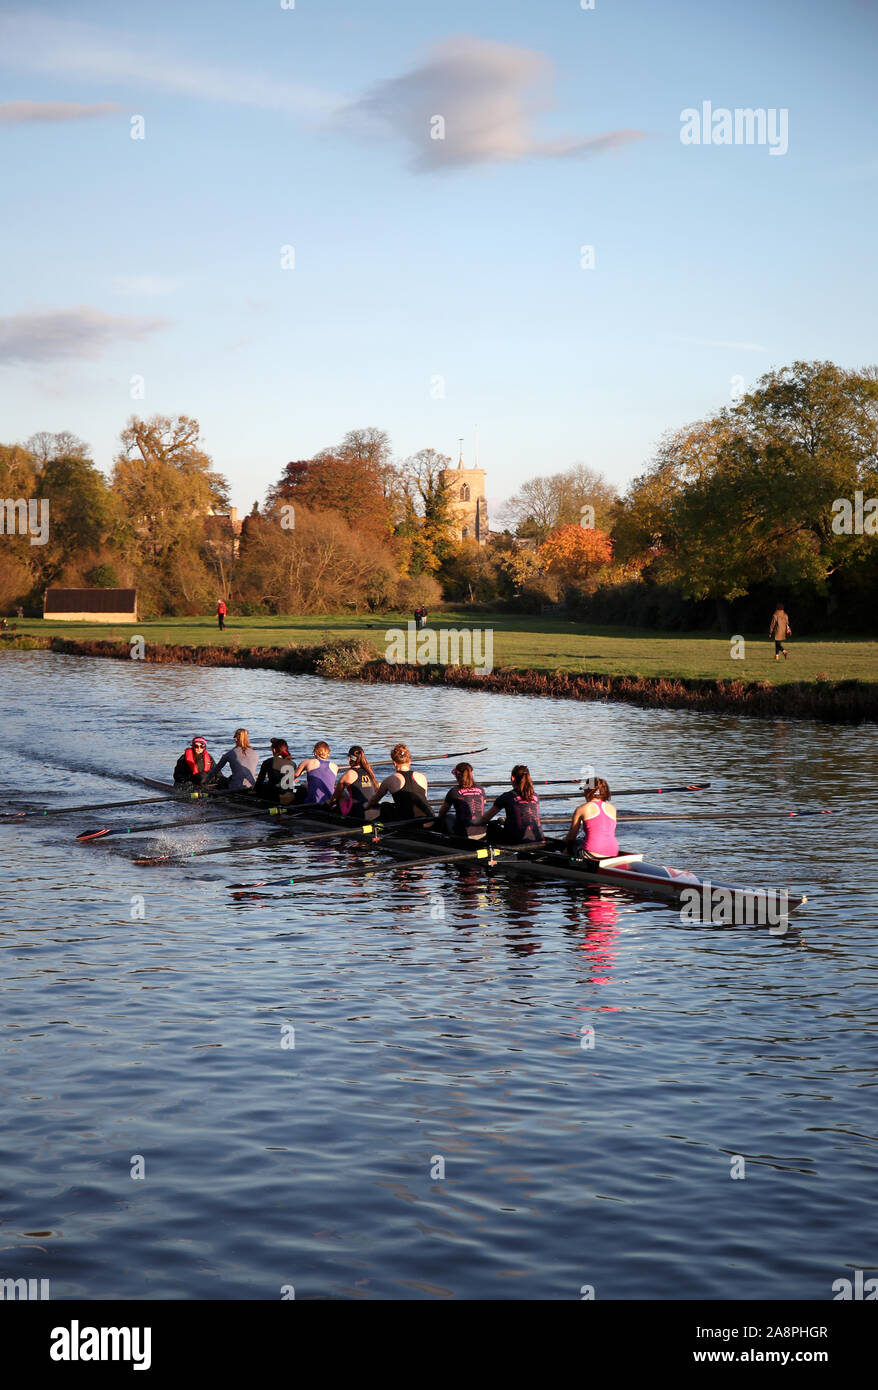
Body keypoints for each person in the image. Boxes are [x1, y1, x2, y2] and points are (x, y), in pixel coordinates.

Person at [364, 743, 433, 821]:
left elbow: (374, 800)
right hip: (429, 818)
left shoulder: (390, 779)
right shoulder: (422, 777)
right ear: (410, 761)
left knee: (385, 806)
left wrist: (365, 809)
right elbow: (424, 797)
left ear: (394, 763)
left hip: (409, 821)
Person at [477, 765, 543, 845]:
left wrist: (473, 823)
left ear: (513, 778)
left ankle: (491, 851)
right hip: (539, 839)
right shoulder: (535, 796)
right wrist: (505, 821)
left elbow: (485, 819)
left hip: (516, 842)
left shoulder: (507, 796)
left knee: (492, 826)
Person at [562, 777, 619, 861]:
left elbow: (571, 837)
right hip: (613, 852)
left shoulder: (582, 809)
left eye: (584, 790)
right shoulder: (612, 808)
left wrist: (565, 842)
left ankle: (563, 864)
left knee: (570, 845)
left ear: (588, 792)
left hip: (591, 853)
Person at [436, 763, 486, 838]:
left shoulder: (454, 791)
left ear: (457, 776)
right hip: (483, 832)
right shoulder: (481, 789)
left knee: (447, 817)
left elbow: (442, 812)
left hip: (465, 834)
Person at [332, 746, 381, 819]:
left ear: (349, 758)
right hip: (376, 812)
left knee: (342, 794)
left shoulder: (349, 774)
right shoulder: (369, 771)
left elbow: (335, 797)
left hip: (359, 814)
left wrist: (328, 805)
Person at [254, 737, 296, 804]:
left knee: (264, 785)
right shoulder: (293, 764)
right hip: (289, 794)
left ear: (274, 750)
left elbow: (260, 780)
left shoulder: (268, 762)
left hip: (274, 795)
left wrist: (254, 790)